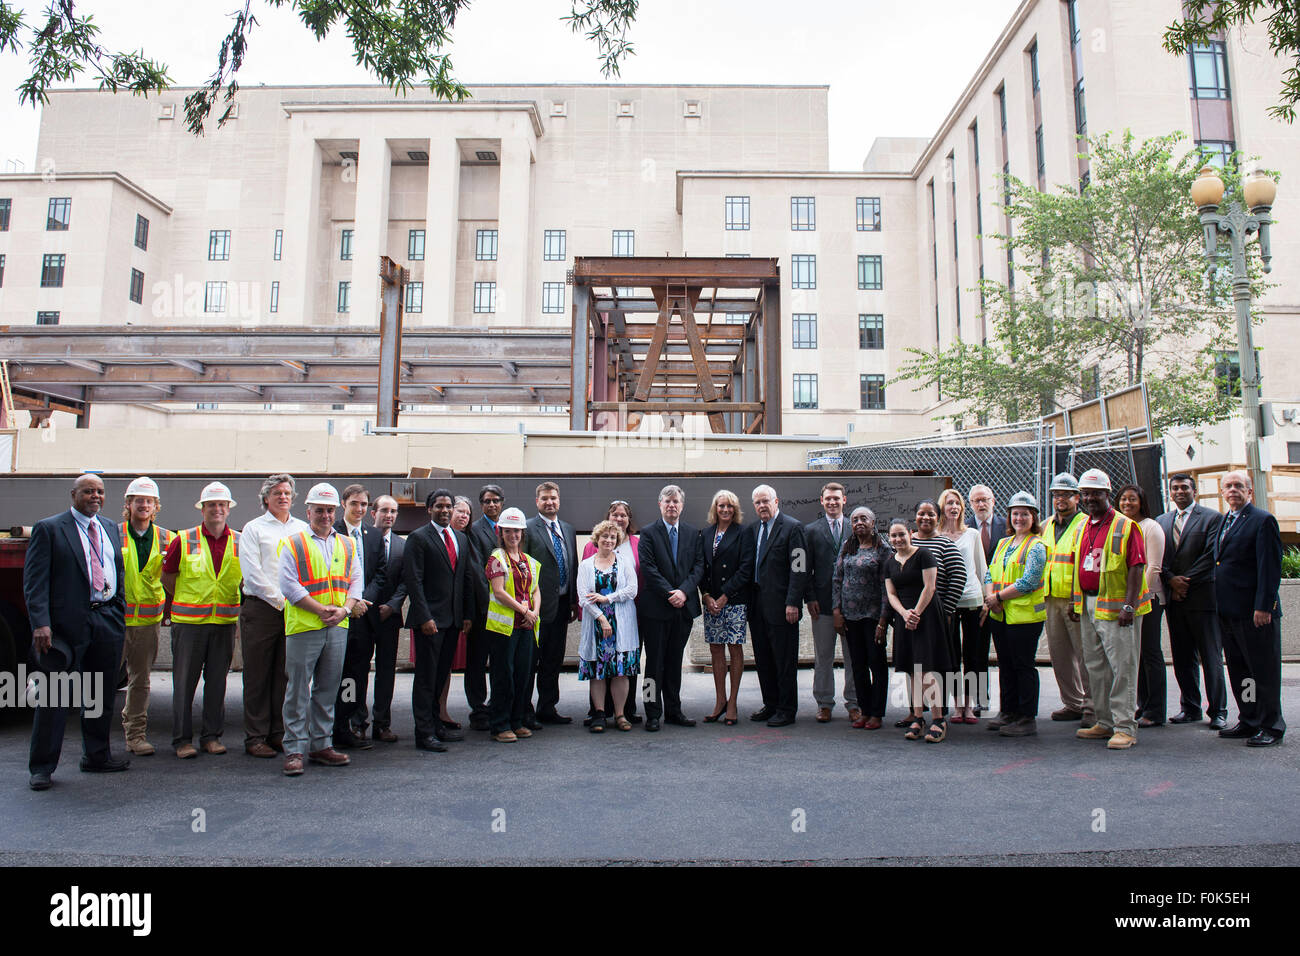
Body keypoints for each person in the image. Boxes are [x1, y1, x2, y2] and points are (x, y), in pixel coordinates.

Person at [25, 473, 130, 791]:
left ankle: (96, 757)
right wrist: (41, 623)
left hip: (106, 619)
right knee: (55, 696)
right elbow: (35, 581)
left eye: (100, 491)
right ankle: (42, 767)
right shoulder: (50, 528)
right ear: (73, 494)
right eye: (88, 491)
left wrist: (119, 608)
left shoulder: (110, 527)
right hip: (65, 627)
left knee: (99, 694)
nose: (95, 496)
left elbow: (117, 569)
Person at [277, 483, 363, 775]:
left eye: (329, 510)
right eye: (319, 510)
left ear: (335, 511)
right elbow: (288, 585)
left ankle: (321, 745)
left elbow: (356, 582)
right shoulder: (294, 542)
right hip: (304, 626)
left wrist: (345, 610)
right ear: (308, 511)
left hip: (338, 625)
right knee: (298, 691)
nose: (325, 515)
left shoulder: (347, 544)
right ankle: (294, 750)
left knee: (327, 690)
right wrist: (320, 610)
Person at [161, 480, 242, 759]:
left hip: (223, 624)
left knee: (217, 682)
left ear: (228, 509)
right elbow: (167, 576)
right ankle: (182, 740)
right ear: (203, 508)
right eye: (212, 505)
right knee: (184, 684)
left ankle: (211, 736)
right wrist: (188, 598)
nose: (217, 509)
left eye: (222, 505)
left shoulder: (240, 541)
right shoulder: (183, 539)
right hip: (188, 624)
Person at [1070, 468, 1149, 751]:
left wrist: (1130, 604)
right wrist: (1073, 601)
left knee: (1123, 667)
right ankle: (1104, 722)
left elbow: (1137, 567)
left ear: (1107, 494)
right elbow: (1076, 565)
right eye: (1086, 493)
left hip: (1118, 610)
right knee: (1096, 667)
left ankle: (1125, 727)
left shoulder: (1127, 526)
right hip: (1089, 605)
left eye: (1096, 493)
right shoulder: (1081, 527)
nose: (1090, 498)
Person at [238, 473, 310, 758]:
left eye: (287, 493)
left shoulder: (303, 529)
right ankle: (255, 737)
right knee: (257, 675)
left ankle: (280, 733)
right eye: (277, 492)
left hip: (296, 611)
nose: (283, 497)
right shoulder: (254, 529)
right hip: (262, 609)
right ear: (265, 498)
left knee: (286, 674)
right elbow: (252, 574)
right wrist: (281, 600)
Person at [1213, 470, 1284, 747]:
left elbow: (1270, 567)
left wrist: (1264, 606)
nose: (1233, 490)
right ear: (1222, 492)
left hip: (1255, 614)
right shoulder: (1225, 521)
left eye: (1238, 486)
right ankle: (1249, 719)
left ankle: (1271, 725)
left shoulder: (1262, 520)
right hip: (1229, 612)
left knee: (1262, 672)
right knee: (1241, 672)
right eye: (1228, 486)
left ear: (1249, 491)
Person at [404, 488, 474, 751]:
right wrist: (424, 616)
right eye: (440, 506)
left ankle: (436, 725)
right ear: (429, 509)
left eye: (448, 506)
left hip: (454, 620)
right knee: (425, 677)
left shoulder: (460, 539)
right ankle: (423, 733)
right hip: (430, 622)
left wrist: (467, 615)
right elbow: (414, 581)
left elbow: (465, 578)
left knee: (441, 675)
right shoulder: (418, 538)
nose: (444, 511)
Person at [1157, 473, 1227, 729]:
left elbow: (1211, 556)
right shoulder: (1162, 521)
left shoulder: (1212, 518)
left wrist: (1183, 582)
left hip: (1202, 598)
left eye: (1184, 487)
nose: (1179, 492)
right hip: (1175, 601)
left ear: (1194, 491)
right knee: (1182, 657)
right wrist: (1170, 580)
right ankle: (1190, 707)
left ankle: (1218, 711)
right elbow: (1158, 558)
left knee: (1211, 658)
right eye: (1175, 488)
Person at [638, 484, 705, 731]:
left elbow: (698, 566)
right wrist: (670, 593)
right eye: (667, 501)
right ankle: (652, 713)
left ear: (682, 505)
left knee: (675, 662)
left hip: (682, 609)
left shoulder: (691, 532)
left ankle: (674, 710)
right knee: (653, 664)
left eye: (676, 501)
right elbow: (648, 568)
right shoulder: (647, 533)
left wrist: (683, 592)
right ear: (660, 505)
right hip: (656, 609)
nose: (672, 505)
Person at [983, 493, 1049, 737]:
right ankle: (1008, 711)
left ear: (1033, 517)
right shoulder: (1003, 543)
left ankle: (1026, 717)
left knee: (1023, 666)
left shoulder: (1037, 546)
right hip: (1001, 615)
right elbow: (990, 573)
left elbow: (1029, 581)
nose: (1019, 518)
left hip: (1024, 618)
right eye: (1015, 513)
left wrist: (998, 598)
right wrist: (991, 599)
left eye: (1025, 513)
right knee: (1006, 665)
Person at [118, 476, 173, 756]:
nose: (143, 505)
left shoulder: (168, 538)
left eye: (148, 501)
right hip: (115, 621)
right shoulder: (111, 533)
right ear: (128, 504)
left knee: (140, 680)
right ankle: (94, 737)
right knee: (101, 679)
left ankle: (135, 736)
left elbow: (176, 578)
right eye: (138, 500)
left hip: (148, 622)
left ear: (156, 507)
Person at [745, 484, 808, 727]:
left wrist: (793, 601)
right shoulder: (753, 530)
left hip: (783, 606)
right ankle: (770, 704)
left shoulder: (793, 528)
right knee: (763, 658)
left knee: (784, 659)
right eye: (758, 502)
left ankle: (786, 708)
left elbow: (799, 568)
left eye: (765, 501)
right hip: (757, 605)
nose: (762, 506)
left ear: (776, 502)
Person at [884, 518, 949, 743]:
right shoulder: (890, 561)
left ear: (910, 533)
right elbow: (891, 593)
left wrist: (916, 613)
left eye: (901, 534)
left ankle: (939, 719)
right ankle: (919, 718)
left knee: (927, 669)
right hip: (904, 618)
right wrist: (904, 614)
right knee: (912, 670)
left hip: (926, 615)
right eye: (893, 536)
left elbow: (930, 586)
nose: (898, 539)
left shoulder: (924, 555)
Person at [333, 484, 387, 750]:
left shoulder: (374, 535)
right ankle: (333, 726)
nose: (359, 509)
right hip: (338, 614)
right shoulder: (332, 531)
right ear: (344, 504)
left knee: (356, 673)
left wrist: (362, 599)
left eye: (364, 505)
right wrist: (349, 602)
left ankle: (349, 722)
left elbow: (380, 572)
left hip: (364, 616)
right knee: (337, 673)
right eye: (354, 503)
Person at [581, 500, 643, 725]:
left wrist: (611, 598)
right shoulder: (590, 553)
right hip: (598, 617)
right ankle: (598, 712)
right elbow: (584, 589)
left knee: (624, 666)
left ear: (628, 520)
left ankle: (625, 711)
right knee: (599, 664)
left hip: (627, 616)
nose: (619, 519)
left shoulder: (635, 544)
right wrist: (597, 613)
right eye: (615, 514)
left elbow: (635, 584)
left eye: (623, 515)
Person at [484, 508, 542, 742]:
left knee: (523, 675)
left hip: (527, 626)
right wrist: (524, 610)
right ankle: (500, 725)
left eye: (517, 531)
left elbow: (536, 589)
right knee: (503, 676)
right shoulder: (497, 559)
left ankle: (516, 721)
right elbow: (498, 592)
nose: (514, 535)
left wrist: (535, 612)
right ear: (501, 532)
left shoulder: (529, 561)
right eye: (509, 531)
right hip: (504, 628)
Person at [804, 483, 859, 723]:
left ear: (844, 500)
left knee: (853, 657)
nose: (832, 502)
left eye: (837, 498)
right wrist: (810, 597)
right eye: (828, 499)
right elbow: (803, 568)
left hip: (853, 605)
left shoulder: (856, 527)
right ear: (822, 500)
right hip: (823, 604)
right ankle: (824, 703)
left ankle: (854, 703)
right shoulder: (811, 530)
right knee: (823, 656)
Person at [832, 507, 892, 730]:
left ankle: (877, 713)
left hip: (873, 617)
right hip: (850, 617)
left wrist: (883, 620)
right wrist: (837, 611)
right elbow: (837, 578)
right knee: (857, 665)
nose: (858, 522)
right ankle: (864, 711)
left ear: (873, 522)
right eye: (855, 519)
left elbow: (887, 587)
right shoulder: (848, 547)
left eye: (863, 519)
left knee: (876, 664)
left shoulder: (882, 549)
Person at [1040, 472, 1093, 727]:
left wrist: (1077, 596)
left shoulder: (1085, 524)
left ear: (1077, 497)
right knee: (1060, 655)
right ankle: (1072, 703)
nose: (1060, 499)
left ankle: (1091, 705)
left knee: (1085, 654)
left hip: (1075, 598)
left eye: (1065, 494)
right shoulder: (1046, 525)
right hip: (1050, 599)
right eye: (1056, 495)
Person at [525, 481, 578, 725]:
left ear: (559, 500)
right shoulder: (527, 528)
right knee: (529, 661)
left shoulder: (567, 528)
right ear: (537, 502)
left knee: (552, 660)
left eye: (553, 498)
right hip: (535, 609)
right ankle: (525, 710)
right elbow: (522, 569)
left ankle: (547, 707)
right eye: (545, 498)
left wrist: (572, 602)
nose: (550, 502)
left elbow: (571, 564)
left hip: (561, 606)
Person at [910, 498, 966, 718]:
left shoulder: (945, 544)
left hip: (936, 616)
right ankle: (915, 712)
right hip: (911, 616)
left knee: (937, 664)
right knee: (913, 664)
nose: (925, 518)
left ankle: (938, 712)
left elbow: (958, 576)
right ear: (914, 517)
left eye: (931, 514)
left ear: (938, 517)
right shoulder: (908, 542)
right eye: (921, 513)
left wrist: (947, 610)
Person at [1117, 484, 1167, 728]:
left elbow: (1154, 568)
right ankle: (1142, 704)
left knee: (1150, 653)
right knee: (1135, 655)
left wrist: (1137, 599)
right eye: (1123, 499)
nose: (1127, 504)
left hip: (1148, 601)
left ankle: (1156, 710)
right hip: (1128, 602)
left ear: (1142, 502)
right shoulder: (1122, 527)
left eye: (1132, 499)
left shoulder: (1151, 527)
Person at [701, 490, 752, 725]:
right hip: (712, 603)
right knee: (716, 650)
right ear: (715, 508)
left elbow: (745, 569)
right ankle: (719, 700)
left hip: (734, 600)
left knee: (734, 649)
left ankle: (732, 702)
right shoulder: (706, 533)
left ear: (735, 509)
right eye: (721, 506)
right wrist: (707, 595)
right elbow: (700, 566)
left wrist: (724, 596)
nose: (725, 510)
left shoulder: (744, 533)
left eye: (730, 506)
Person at [936, 488, 988, 723]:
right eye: (949, 503)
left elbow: (982, 569)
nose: (953, 507)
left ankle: (970, 705)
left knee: (973, 655)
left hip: (973, 600)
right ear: (942, 508)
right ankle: (957, 705)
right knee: (951, 655)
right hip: (947, 603)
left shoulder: (973, 534)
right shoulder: (936, 536)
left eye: (957, 503)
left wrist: (987, 599)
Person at [364, 495, 406, 742]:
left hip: (389, 617)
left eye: (393, 511)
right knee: (356, 673)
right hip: (361, 616)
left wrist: (392, 605)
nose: (389, 515)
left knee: (386, 673)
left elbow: (406, 581)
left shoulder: (402, 545)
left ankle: (382, 723)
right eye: (384, 511)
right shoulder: (359, 540)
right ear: (373, 513)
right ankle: (356, 720)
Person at [464, 484, 505, 730]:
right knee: (477, 661)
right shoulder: (475, 531)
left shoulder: (510, 527)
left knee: (500, 660)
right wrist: (491, 599)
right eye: (487, 501)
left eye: (496, 500)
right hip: (484, 607)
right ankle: (478, 710)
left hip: (507, 608)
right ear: (481, 505)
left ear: (502, 502)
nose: (492, 504)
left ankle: (498, 705)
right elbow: (478, 571)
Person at [966, 485, 1008, 562]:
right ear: (971, 504)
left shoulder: (1007, 525)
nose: (981, 504)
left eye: (984, 500)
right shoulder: (965, 528)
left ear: (993, 501)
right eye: (977, 501)